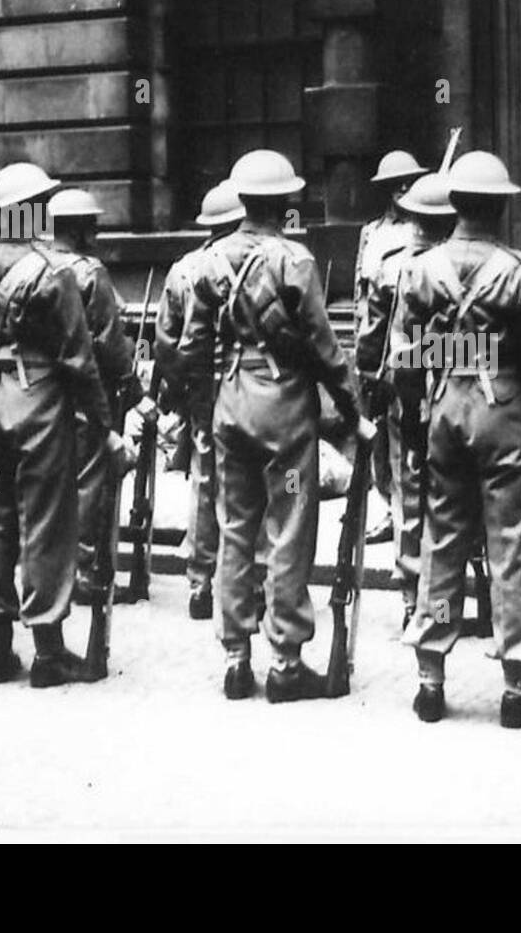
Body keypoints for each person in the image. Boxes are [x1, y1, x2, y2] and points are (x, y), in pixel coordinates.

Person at [398, 150, 521, 728]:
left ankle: (430, 677)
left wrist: (414, 430)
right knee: (513, 547)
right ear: (502, 205)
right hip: (504, 413)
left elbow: (406, 361)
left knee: (442, 542)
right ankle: (517, 685)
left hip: (444, 411)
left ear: (455, 203)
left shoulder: (421, 268)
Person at [175, 150, 373, 703]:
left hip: (230, 408)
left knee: (236, 527)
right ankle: (286, 660)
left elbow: (191, 347)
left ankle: (236, 656)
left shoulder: (211, 262)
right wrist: (353, 414)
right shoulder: (295, 261)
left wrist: (205, 406)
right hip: (284, 413)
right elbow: (327, 350)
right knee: (287, 524)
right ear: (286, 201)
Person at [0, 162, 125, 687]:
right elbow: (78, 358)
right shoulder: (53, 271)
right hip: (39, 403)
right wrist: (105, 425)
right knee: (46, 521)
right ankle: (48, 649)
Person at [356, 171, 456, 630]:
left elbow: (371, 342)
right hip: (461, 393)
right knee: (457, 498)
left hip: (406, 394)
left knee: (408, 499)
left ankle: (414, 602)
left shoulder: (388, 262)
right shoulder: (467, 263)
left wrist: (369, 387)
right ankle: (452, 602)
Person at [153, 181, 247, 619]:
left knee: (203, 478)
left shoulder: (183, 268)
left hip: (199, 388)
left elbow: (166, 341)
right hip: (244, 384)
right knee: (246, 483)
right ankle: (244, 579)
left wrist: (178, 390)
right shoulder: (253, 261)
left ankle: (200, 580)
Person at [45, 188, 139, 607]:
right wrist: (134, 392)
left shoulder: (35, 265)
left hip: (37, 394)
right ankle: (82, 573)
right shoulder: (89, 272)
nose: (97, 233)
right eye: (93, 225)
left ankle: (47, 573)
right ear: (80, 230)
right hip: (84, 393)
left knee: (48, 486)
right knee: (86, 483)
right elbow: (109, 343)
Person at [357, 149, 428, 545]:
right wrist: (364, 359)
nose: (403, 189)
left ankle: (410, 525)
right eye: (395, 184)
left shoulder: (427, 233)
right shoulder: (371, 233)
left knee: (410, 446)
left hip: (411, 354)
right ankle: (388, 506)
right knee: (380, 437)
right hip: (378, 347)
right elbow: (363, 295)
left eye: (409, 182)